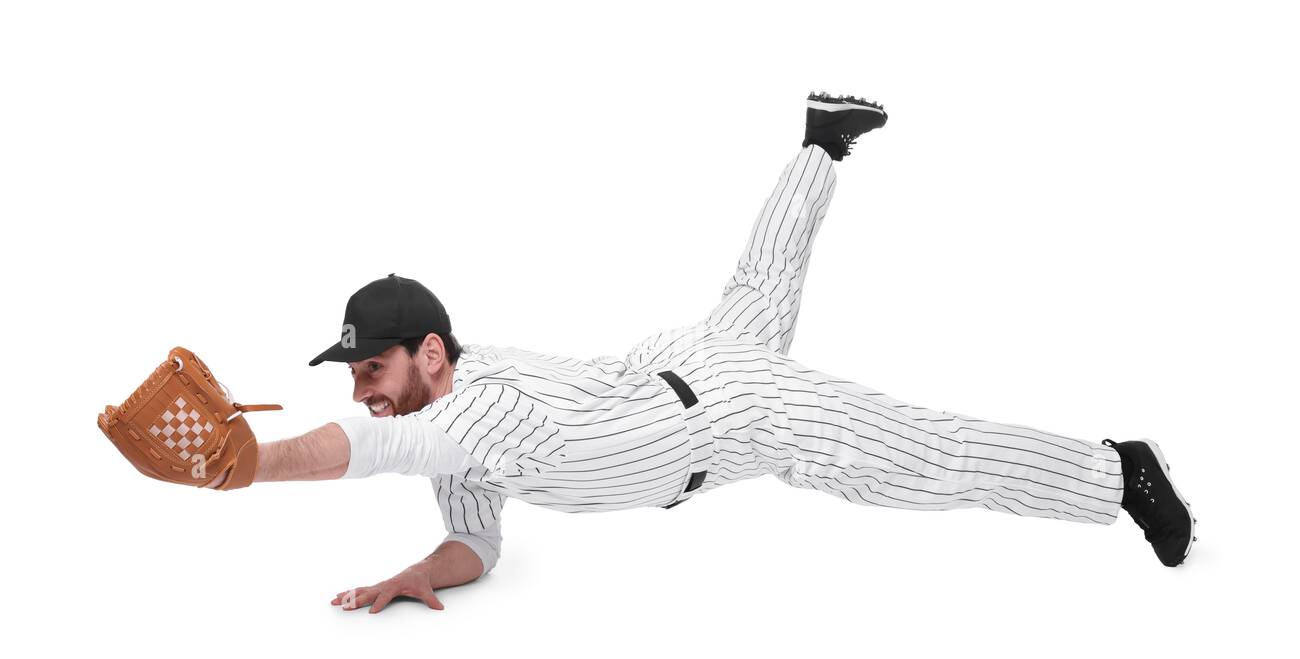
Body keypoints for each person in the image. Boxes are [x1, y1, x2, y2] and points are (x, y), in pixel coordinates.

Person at [243, 92, 1196, 614]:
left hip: (740, 417)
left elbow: (370, 451)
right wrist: (423, 570)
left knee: (921, 457)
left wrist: (245, 466)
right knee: (760, 287)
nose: (364, 388)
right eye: (354, 372)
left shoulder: (467, 412)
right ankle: (821, 144)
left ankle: (1118, 476)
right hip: (682, 365)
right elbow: (477, 542)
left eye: (373, 368)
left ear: (433, 354)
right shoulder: (450, 419)